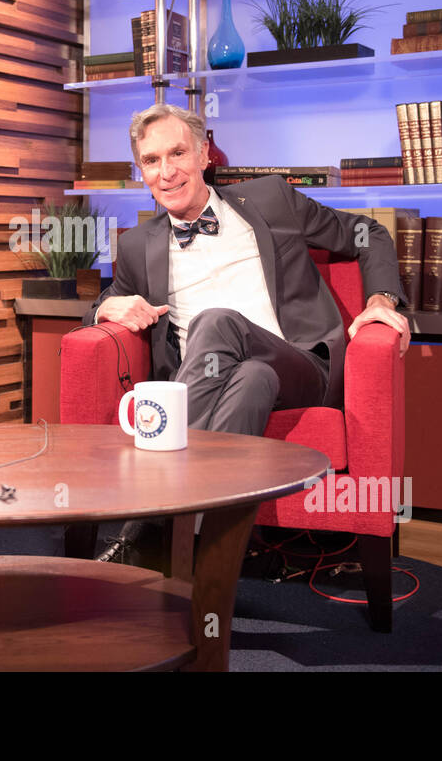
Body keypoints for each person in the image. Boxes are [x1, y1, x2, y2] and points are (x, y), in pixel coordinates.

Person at [87, 103, 410, 564]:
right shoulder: (138, 246)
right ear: (141, 171)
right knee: (252, 380)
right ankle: (205, 561)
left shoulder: (271, 199)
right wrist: (107, 306)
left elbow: (367, 232)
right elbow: (95, 309)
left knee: (217, 321)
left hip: (300, 366)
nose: (167, 172)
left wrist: (381, 298)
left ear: (203, 155)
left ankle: (145, 523)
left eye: (177, 153)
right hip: (232, 381)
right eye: (151, 161)